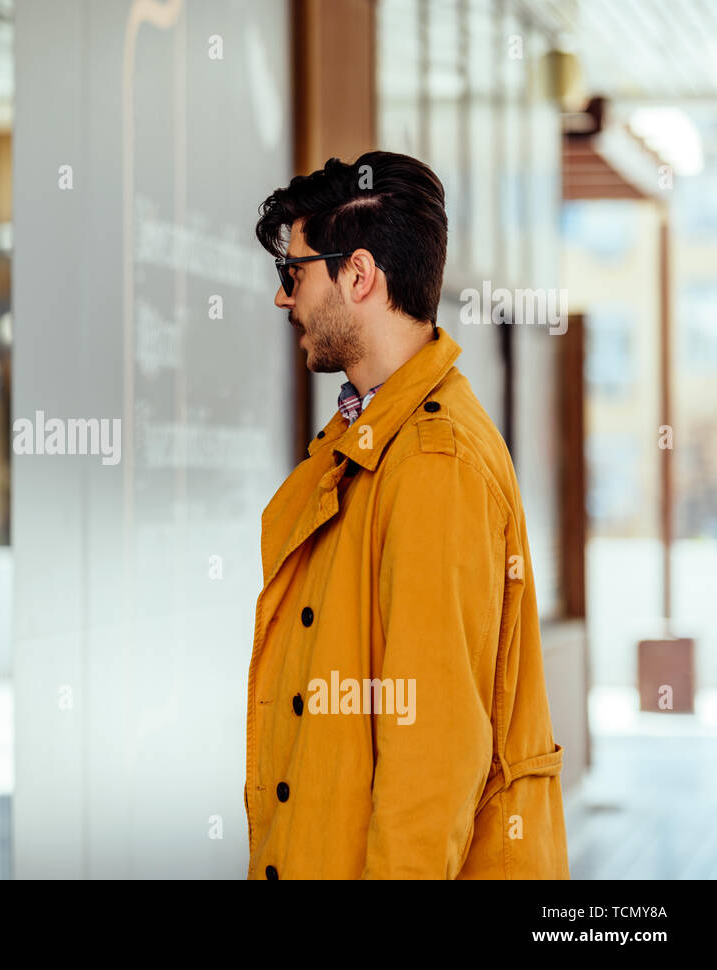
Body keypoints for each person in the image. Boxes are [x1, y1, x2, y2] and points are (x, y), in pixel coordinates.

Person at [246, 150, 569, 879]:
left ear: (357, 275)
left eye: (292, 273)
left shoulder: (430, 461)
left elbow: (434, 755)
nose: (282, 299)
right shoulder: (373, 442)